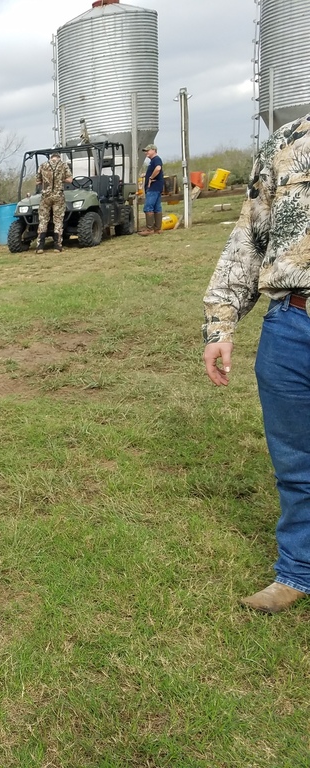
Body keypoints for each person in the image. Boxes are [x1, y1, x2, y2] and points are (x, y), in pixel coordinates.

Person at [202, 113, 310, 614]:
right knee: (296, 465)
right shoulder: (288, 141)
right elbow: (249, 236)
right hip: (291, 322)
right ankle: (298, 571)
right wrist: (220, 326)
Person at [34, 151, 72, 253]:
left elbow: (37, 181)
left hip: (45, 196)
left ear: (51, 158)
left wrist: (46, 182)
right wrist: (60, 180)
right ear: (59, 157)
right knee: (58, 220)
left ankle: (40, 246)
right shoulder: (63, 165)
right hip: (58, 196)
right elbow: (70, 180)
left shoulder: (43, 165)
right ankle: (57, 246)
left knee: (43, 220)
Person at [139, 143, 164, 235]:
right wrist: (146, 175)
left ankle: (149, 229)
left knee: (148, 207)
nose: (146, 153)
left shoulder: (156, 159)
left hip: (153, 187)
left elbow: (158, 169)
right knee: (157, 207)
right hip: (157, 187)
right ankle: (157, 228)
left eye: (148, 150)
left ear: (154, 150)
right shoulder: (153, 161)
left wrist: (150, 178)